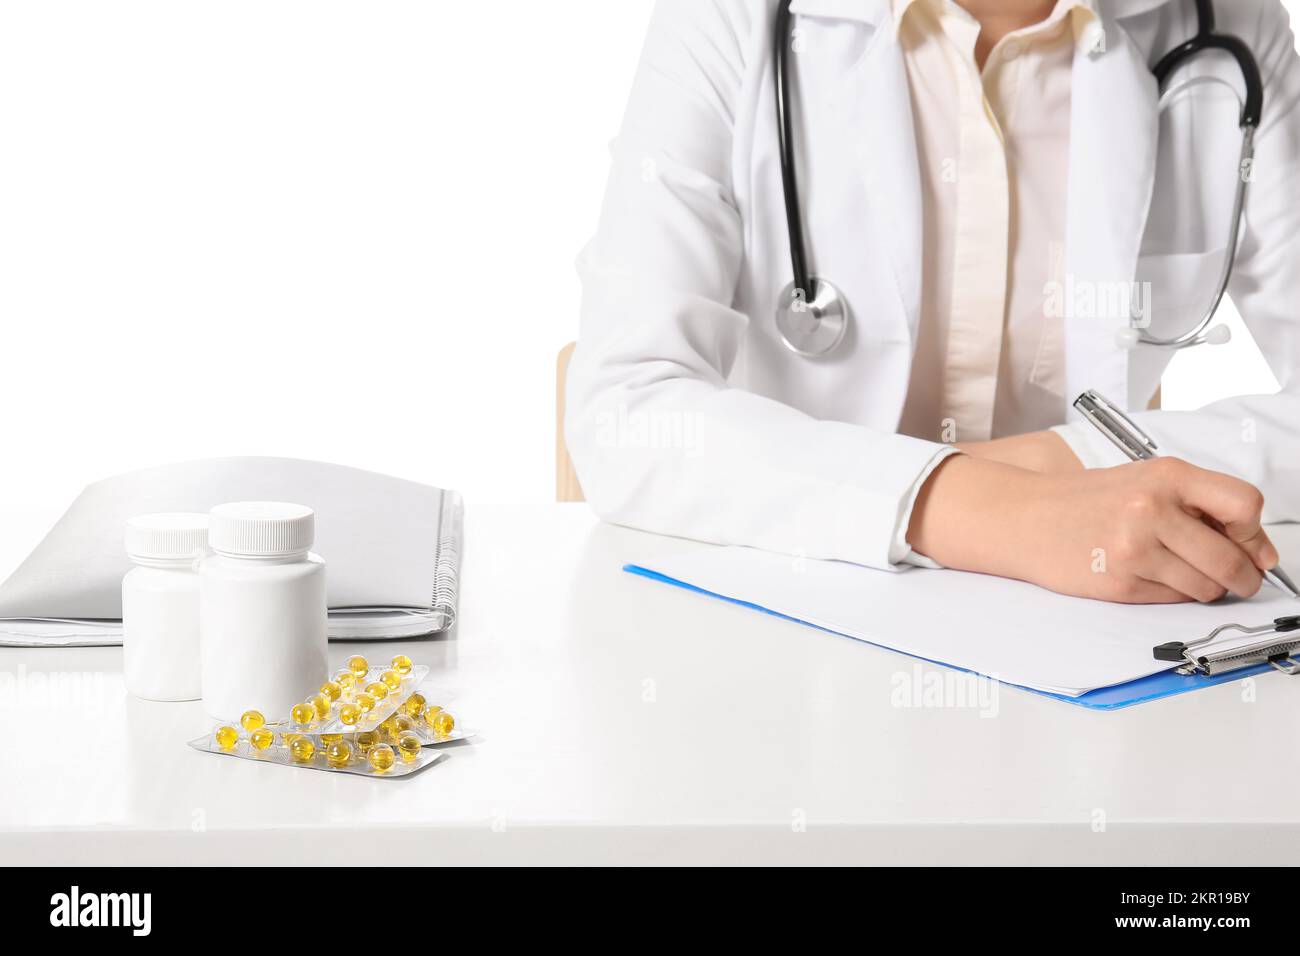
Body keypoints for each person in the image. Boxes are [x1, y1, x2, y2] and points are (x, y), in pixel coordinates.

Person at [565, 0, 1300, 605]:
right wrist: (1011, 511)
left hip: (1079, 632)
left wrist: (1061, 461)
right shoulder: (729, 18)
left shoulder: (1227, 25)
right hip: (789, 600)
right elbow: (625, 412)